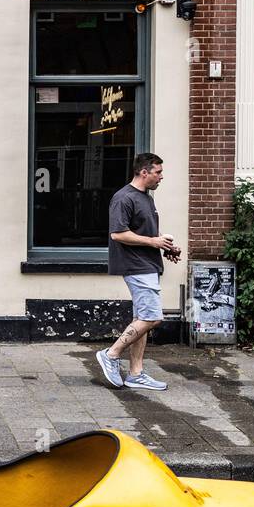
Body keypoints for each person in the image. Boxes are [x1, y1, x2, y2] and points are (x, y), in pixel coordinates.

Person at [97, 152, 180, 392]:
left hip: (147, 264)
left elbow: (145, 233)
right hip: (135, 266)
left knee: (141, 318)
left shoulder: (146, 198)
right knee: (153, 317)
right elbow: (118, 234)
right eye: (158, 172)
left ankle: (136, 373)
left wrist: (166, 246)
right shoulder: (123, 198)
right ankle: (111, 354)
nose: (161, 177)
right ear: (144, 172)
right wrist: (154, 243)